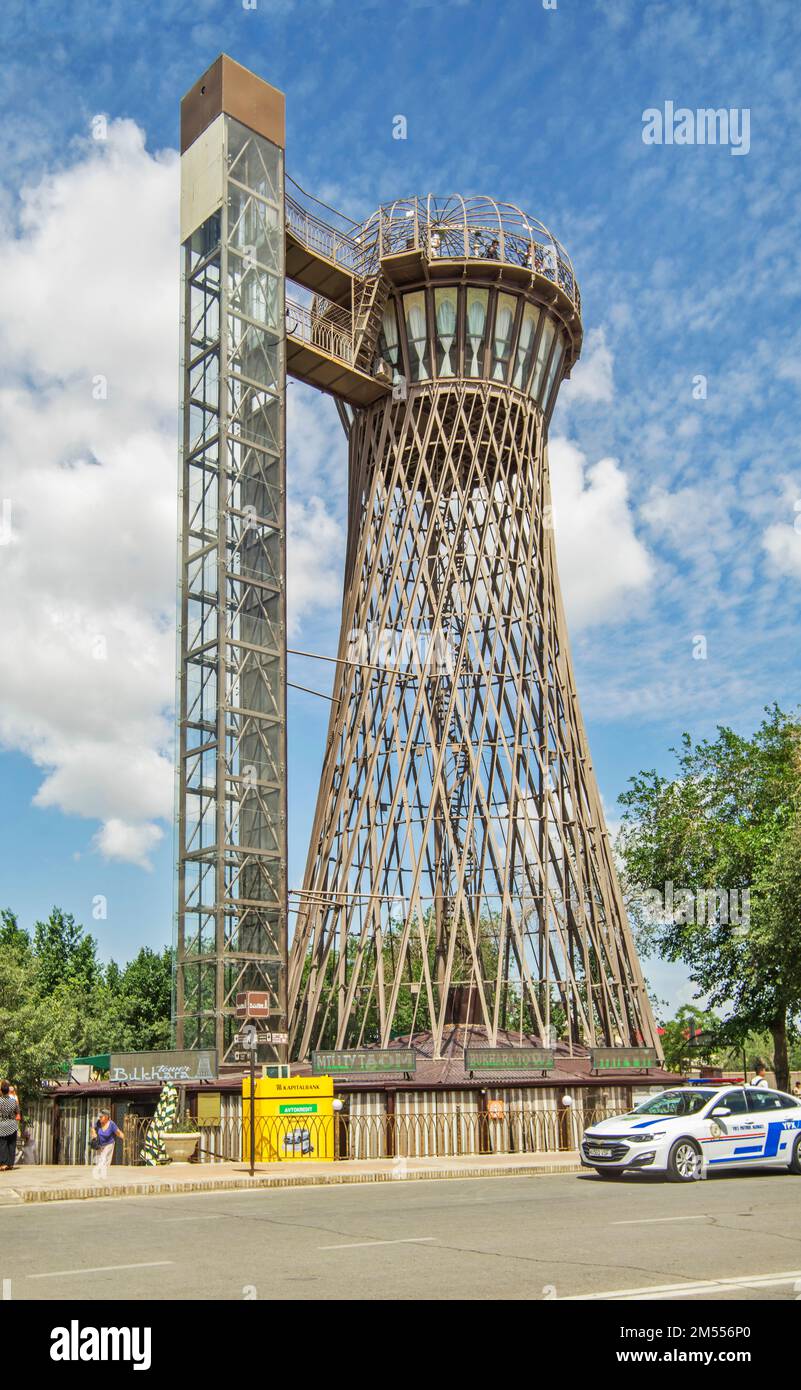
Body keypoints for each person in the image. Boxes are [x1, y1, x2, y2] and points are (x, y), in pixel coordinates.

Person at [91, 1110, 123, 1178]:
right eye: (99, 1117)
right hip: (100, 1144)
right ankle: (103, 1174)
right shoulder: (98, 1123)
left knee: (104, 1158)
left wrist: (125, 1138)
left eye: (101, 1117)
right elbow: (93, 1129)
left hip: (109, 1144)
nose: (99, 1118)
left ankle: (102, 1174)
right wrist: (94, 1135)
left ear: (106, 1117)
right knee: (102, 1160)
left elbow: (118, 1133)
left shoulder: (111, 1124)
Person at [0, 1082, 20, 1170]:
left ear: (1, 1091)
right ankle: (11, 1164)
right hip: (12, 1125)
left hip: (2, 1125)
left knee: (3, 1145)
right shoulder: (13, 1101)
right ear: (8, 1091)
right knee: (12, 1144)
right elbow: (18, 1112)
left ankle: (3, 1164)